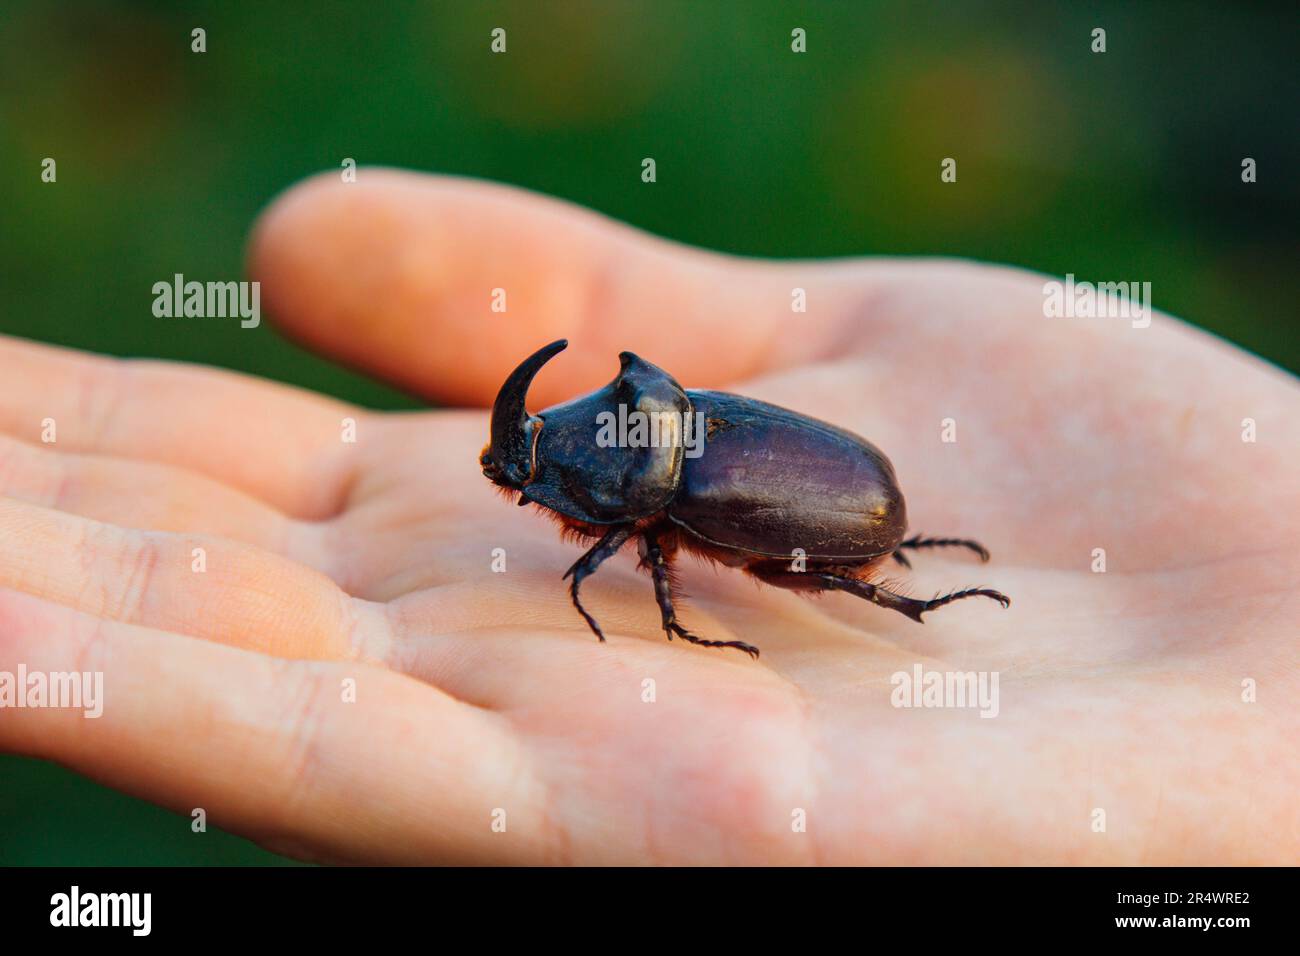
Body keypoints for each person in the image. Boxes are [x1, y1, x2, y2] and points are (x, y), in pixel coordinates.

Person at [0, 170, 1294, 864]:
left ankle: (918, 599)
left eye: (547, 465)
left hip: (838, 511)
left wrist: (691, 608)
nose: (536, 472)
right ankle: (917, 582)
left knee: (813, 580)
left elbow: (660, 557)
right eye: (538, 463)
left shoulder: (669, 501)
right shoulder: (648, 451)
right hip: (852, 482)